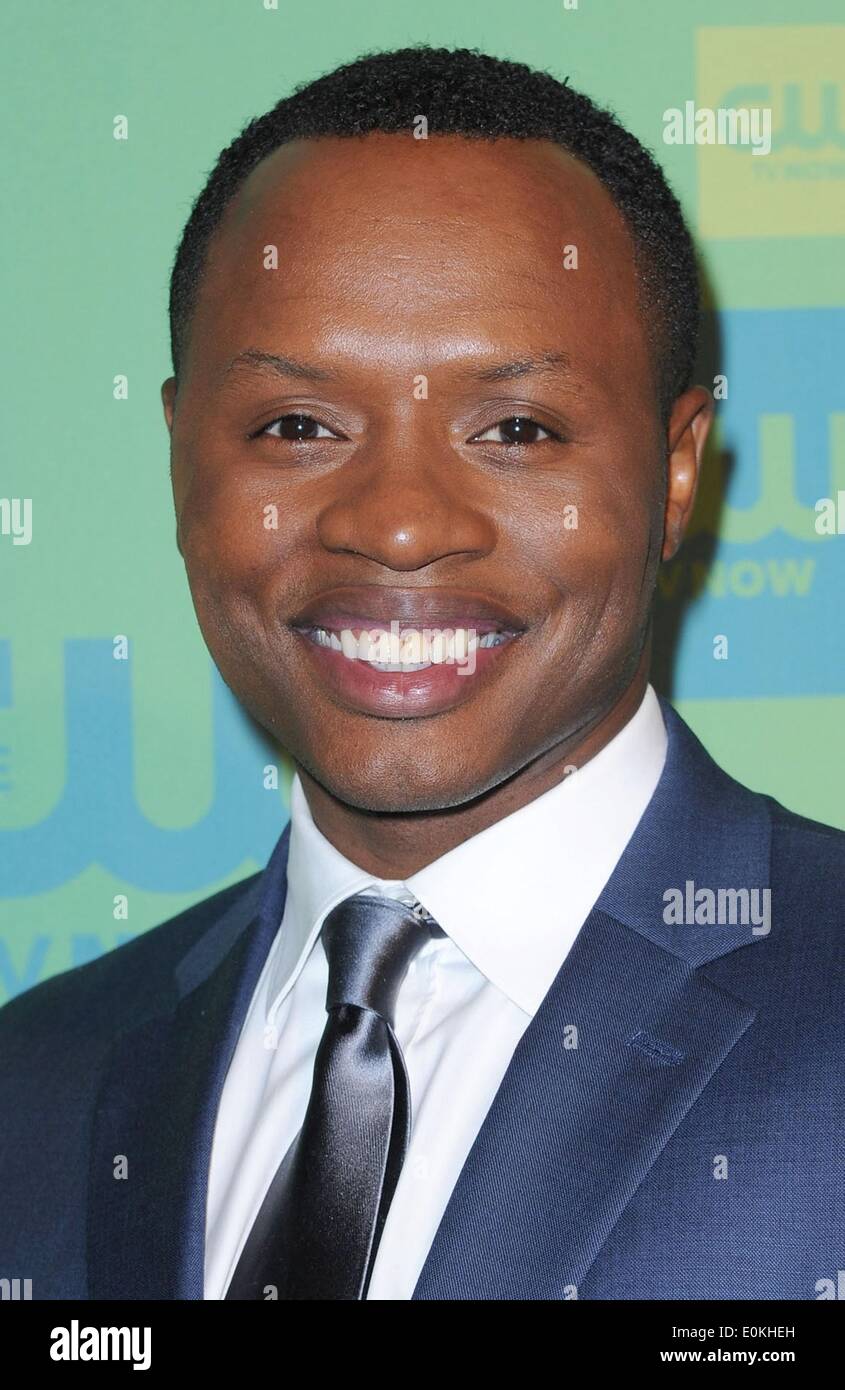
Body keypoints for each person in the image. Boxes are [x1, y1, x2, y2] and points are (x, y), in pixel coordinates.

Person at [1, 44, 842, 1303]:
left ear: (675, 472)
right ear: (181, 460)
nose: (395, 524)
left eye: (514, 430)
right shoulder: (39, 1079)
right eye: (297, 426)